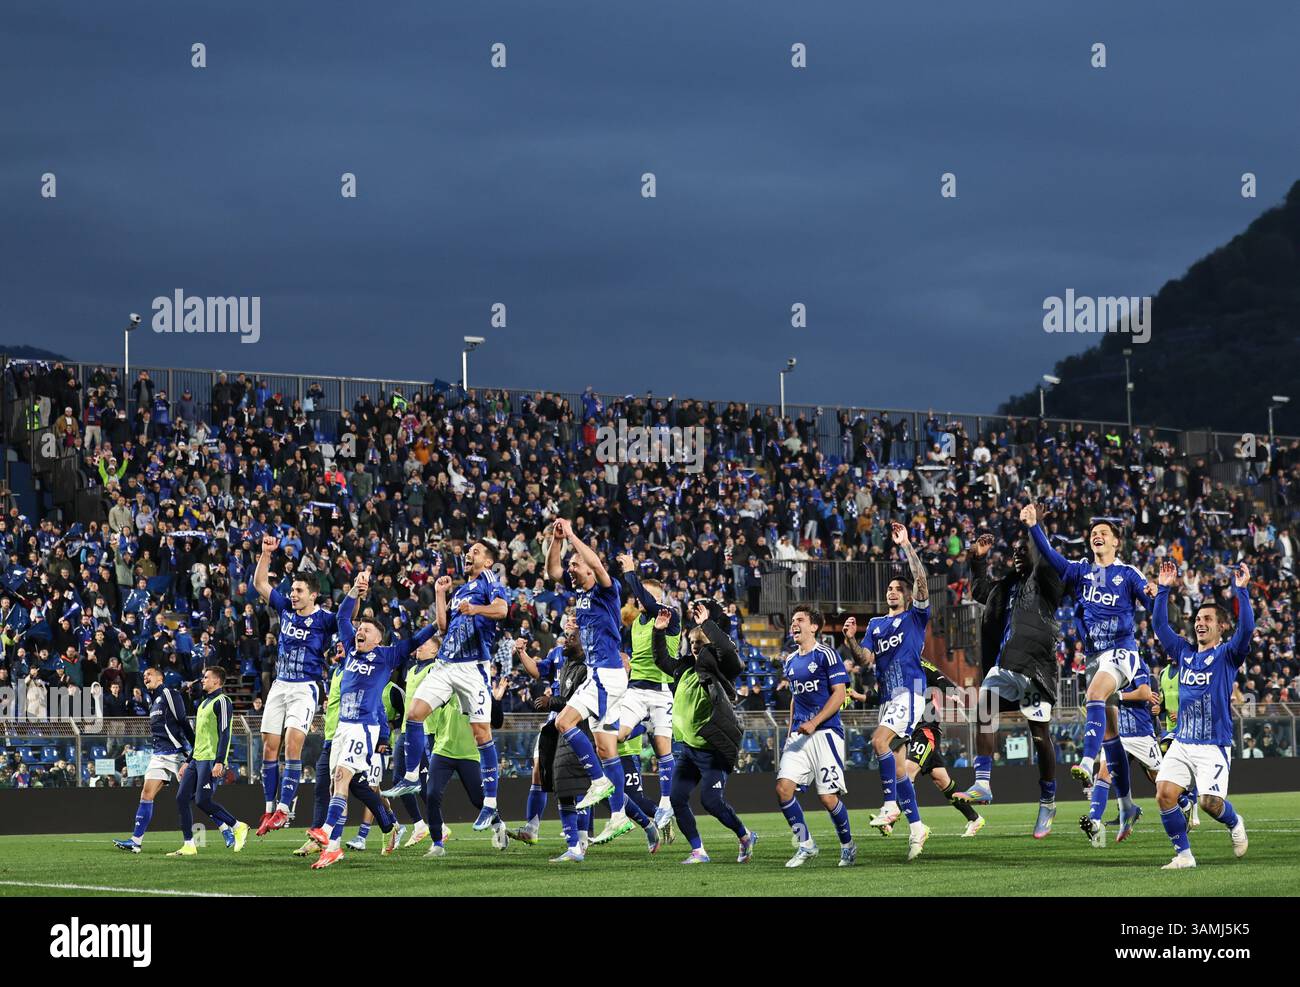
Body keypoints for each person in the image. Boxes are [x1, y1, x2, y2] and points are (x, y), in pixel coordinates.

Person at [1027, 512, 1150, 837]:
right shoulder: (1081, 571)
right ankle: (1127, 806)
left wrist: (1156, 592)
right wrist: (1033, 527)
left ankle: (1085, 759)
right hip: (1097, 658)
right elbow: (1052, 558)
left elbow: (1151, 604)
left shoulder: (1127, 573)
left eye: (1103, 532)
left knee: (1094, 695)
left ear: (1115, 541)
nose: (1097, 535)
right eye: (1093, 532)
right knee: (1112, 738)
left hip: (1123, 653)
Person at [308, 569, 433, 868]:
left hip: (363, 729)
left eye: (366, 629)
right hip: (341, 728)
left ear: (379, 638)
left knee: (341, 779)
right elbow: (340, 618)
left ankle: (328, 836)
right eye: (359, 627)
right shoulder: (351, 650)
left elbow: (415, 640)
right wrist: (354, 589)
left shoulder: (387, 656)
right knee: (344, 786)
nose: (359, 631)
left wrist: (437, 625)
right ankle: (374, 831)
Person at [956, 506, 1065, 839]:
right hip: (1005, 665)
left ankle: (1047, 801)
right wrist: (976, 559)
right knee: (984, 707)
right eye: (1014, 552)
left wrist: (1035, 529)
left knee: (1039, 737)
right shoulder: (1006, 587)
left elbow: (1047, 558)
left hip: (1034, 665)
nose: (1017, 556)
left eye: (1024, 551)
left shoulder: (1048, 581)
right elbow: (978, 590)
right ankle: (983, 783)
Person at [385, 542, 507, 834]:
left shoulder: (490, 581)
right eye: (469, 552)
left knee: (482, 732)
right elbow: (442, 625)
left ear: (488, 562)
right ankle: (412, 775)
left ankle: (490, 801)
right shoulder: (462, 590)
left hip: (472, 667)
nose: (469, 555)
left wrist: (475, 609)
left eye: (476, 552)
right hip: (445, 664)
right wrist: (441, 594)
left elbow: (502, 609)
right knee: (414, 713)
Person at [1151, 560, 1251, 870]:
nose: (1200, 623)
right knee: (1164, 794)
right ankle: (1184, 855)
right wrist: (1163, 590)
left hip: (1212, 744)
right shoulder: (1183, 652)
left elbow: (1247, 629)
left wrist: (1241, 592)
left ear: (1221, 626)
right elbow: (1159, 627)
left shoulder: (1228, 655)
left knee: (1209, 803)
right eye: (1197, 618)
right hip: (1183, 740)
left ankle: (1234, 822)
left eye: (1207, 618)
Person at [652, 601, 752, 864]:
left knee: (711, 802)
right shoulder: (684, 668)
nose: (695, 646)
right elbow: (661, 659)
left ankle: (744, 836)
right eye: (692, 642)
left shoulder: (719, 671)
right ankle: (698, 850)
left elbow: (731, 654)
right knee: (677, 799)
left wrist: (707, 623)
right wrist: (658, 631)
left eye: (700, 642)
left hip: (713, 750)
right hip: (689, 750)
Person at [253, 532, 339, 835]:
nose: (293, 594)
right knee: (268, 747)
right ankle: (268, 810)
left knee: (292, 744)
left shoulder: (326, 619)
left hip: (305, 687)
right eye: (292, 590)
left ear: (313, 594)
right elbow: (260, 584)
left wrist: (357, 592)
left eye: (299, 590)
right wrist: (266, 554)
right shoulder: (286, 609)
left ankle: (285, 809)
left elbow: (348, 617)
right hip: (280, 684)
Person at [854, 522, 931, 855]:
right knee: (899, 769)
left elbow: (923, 580)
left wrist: (907, 546)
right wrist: (849, 641)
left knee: (878, 740)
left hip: (910, 691)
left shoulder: (916, 617)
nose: (893, 592)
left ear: (909, 594)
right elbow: (865, 658)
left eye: (899, 588)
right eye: (889, 588)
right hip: (887, 698)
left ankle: (889, 804)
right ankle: (917, 827)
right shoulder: (875, 625)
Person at [544, 519, 627, 814]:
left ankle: (598, 782)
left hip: (606, 673)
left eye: (575, 565)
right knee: (605, 748)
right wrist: (557, 541)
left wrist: (572, 535)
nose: (570, 568)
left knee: (563, 722)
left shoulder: (607, 589)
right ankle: (621, 816)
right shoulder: (579, 592)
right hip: (602, 673)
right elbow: (552, 570)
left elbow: (597, 564)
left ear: (590, 569)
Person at [775, 605, 858, 867]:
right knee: (783, 789)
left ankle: (848, 846)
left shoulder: (826, 655)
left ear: (814, 626)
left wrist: (815, 722)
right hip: (799, 734)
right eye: (792, 621)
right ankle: (805, 844)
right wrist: (790, 733)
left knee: (827, 798)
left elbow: (840, 693)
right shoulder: (790, 660)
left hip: (826, 733)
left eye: (799, 620)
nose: (793, 624)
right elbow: (794, 699)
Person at [607, 554, 680, 840]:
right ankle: (615, 805)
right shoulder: (636, 624)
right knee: (616, 737)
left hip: (661, 691)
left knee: (664, 751)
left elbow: (648, 602)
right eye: (643, 595)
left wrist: (630, 572)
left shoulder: (670, 616)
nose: (645, 599)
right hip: (636, 691)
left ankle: (665, 806)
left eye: (652, 596)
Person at [1080, 652, 1163, 847]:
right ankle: (1095, 821)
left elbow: (1144, 693)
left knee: (1161, 782)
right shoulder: (1105, 665)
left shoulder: (1137, 664)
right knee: (1102, 774)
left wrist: (1115, 696)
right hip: (1117, 733)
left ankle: (1186, 803)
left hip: (1141, 733)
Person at [167, 666, 250, 856]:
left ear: (216, 681)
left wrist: (220, 761)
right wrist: (188, 760)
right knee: (181, 798)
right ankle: (189, 844)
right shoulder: (204, 703)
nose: (202, 680)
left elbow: (225, 732)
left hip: (211, 759)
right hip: (197, 759)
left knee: (203, 800)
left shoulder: (222, 701)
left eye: (206, 677)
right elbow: (200, 737)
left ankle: (238, 826)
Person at [113, 667, 193, 853]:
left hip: (177, 753)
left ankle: (229, 827)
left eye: (149, 674)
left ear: (160, 677)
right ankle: (136, 841)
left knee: (197, 797)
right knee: (146, 795)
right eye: (144, 676)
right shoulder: (152, 700)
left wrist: (194, 752)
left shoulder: (168, 693)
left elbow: (183, 722)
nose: (145, 677)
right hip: (159, 754)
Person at [422, 693, 509, 858]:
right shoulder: (442, 688)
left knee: (478, 799)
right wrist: (431, 755)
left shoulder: (477, 689)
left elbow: (497, 722)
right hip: (442, 752)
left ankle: (497, 823)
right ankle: (437, 844)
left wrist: (496, 700)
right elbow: (430, 727)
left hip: (470, 754)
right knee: (431, 794)